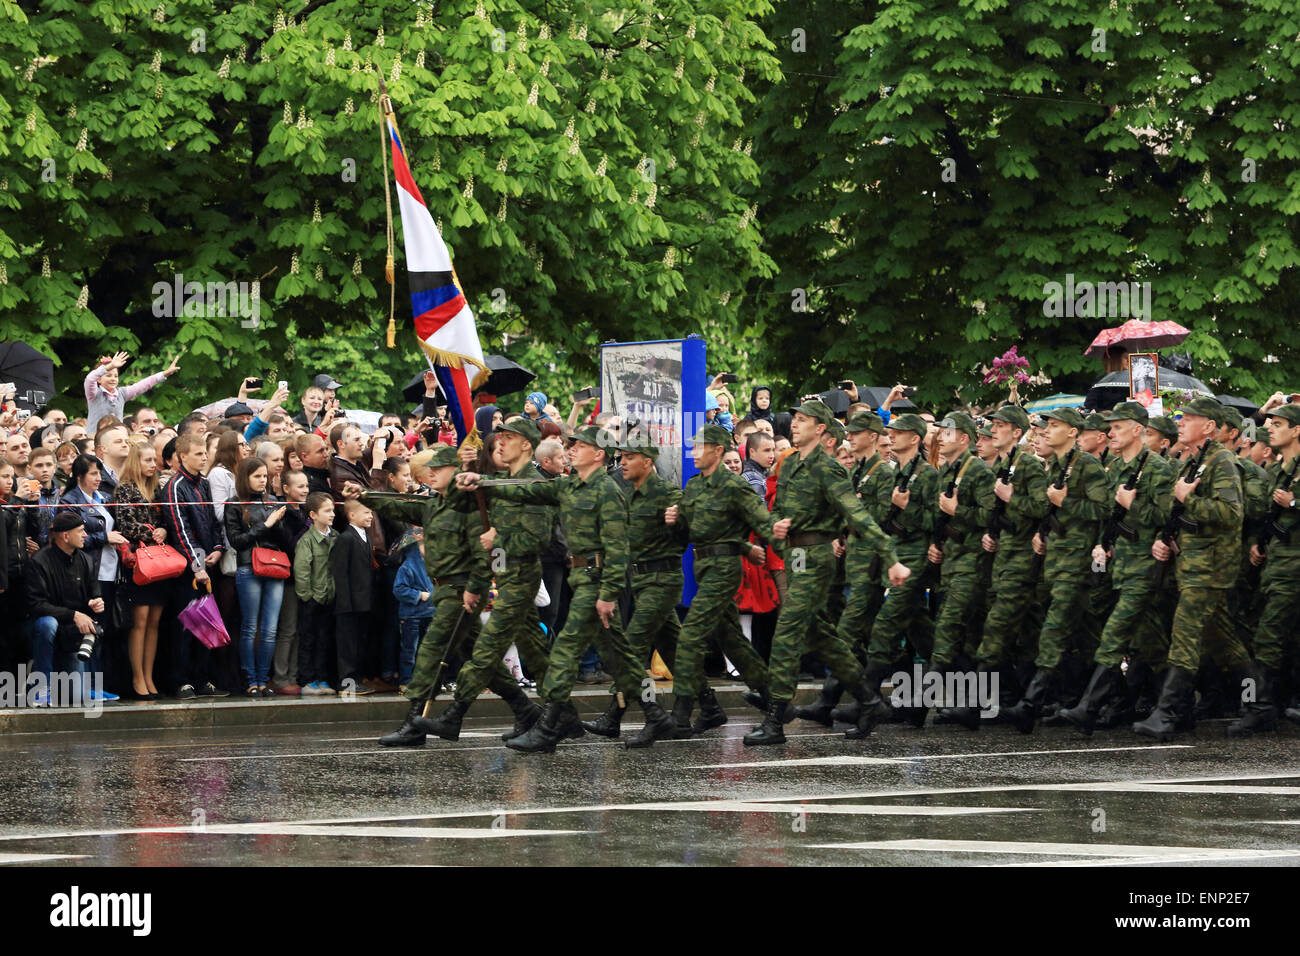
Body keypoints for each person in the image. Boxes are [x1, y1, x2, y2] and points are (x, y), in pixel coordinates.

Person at [452, 424, 646, 753]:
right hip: (579, 577)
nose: (570, 449)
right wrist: (481, 481)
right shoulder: (570, 485)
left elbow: (618, 547)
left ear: (598, 454)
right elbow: (525, 491)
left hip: (597, 582)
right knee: (620, 656)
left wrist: (609, 593)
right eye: (570, 445)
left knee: (566, 653)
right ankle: (655, 712)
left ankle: (548, 727)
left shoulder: (607, 491)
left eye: (579, 446)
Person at [751, 400, 909, 746]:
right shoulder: (790, 463)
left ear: (820, 429)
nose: (795, 424)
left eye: (803, 420)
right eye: (795, 419)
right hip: (794, 555)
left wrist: (891, 557)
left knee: (788, 632)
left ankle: (776, 717)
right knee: (821, 635)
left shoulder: (829, 469)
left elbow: (859, 516)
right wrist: (774, 528)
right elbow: (776, 510)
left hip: (816, 556)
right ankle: (869, 700)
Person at [1134, 397, 1258, 741]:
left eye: (1189, 419)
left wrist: (1189, 498)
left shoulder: (1222, 462)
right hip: (1191, 563)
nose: (1181, 423)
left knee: (1184, 635)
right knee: (1225, 643)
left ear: (1208, 426)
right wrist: (1167, 539)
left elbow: (1231, 514)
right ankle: (1258, 703)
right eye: (1181, 418)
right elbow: (1182, 515)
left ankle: (1168, 713)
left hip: (1211, 567)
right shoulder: (1191, 462)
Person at [1059, 401, 1174, 733]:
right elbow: (1109, 515)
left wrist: (1133, 504)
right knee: (1150, 643)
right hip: (1120, 565)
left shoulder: (1156, 468)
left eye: (1118, 427)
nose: (1110, 432)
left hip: (1144, 566)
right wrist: (1102, 543)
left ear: (1137, 430)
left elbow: (1166, 517)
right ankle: (1174, 706)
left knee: (1114, 635)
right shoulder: (1116, 468)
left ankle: (1088, 709)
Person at [1002, 407, 1109, 733]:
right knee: (1085, 636)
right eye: (1047, 425)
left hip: (1076, 562)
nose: (1047, 430)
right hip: (1056, 560)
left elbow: (1103, 509)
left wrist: (1065, 503)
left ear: (1073, 432)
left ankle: (1031, 703)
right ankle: (1093, 700)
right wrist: (1043, 531)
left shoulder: (1087, 465)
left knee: (1054, 629)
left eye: (1056, 425)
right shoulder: (1057, 466)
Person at [613, 430, 685, 747]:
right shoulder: (629, 494)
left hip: (662, 581)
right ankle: (708, 705)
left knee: (628, 652)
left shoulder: (668, 494)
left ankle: (650, 715)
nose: (623, 463)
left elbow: (686, 536)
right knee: (674, 650)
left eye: (629, 457)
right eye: (621, 457)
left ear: (647, 461)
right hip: (640, 582)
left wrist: (679, 521)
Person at [1235, 402, 1300, 734]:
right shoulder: (1276, 471)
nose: (1270, 428)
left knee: (1267, 638)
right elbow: (1259, 514)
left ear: (1296, 430)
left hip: (1292, 569)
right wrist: (1257, 545)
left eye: (1277, 423)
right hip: (1275, 567)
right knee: (1271, 637)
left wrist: (1294, 503)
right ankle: (1266, 704)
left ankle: (1257, 706)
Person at [159, 431, 228, 700]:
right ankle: (180, 679)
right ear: (182, 456)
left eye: (204, 454)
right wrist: (196, 564)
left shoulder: (205, 484)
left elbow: (212, 520)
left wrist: (219, 549)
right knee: (186, 624)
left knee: (206, 624)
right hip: (188, 567)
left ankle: (201, 677)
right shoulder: (175, 486)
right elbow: (180, 528)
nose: (203, 458)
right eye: (198, 454)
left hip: (207, 561)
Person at [23, 512, 106, 707]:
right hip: (43, 626)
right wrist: (74, 615)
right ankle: (39, 687)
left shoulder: (85, 559)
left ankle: (85, 686)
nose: (85, 535)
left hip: (72, 631)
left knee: (76, 698)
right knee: (47, 624)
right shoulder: (39, 562)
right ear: (65, 536)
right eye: (81, 531)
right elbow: (36, 605)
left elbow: (95, 592)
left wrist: (96, 602)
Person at [110, 442, 171, 700]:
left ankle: (149, 675)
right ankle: (137, 677)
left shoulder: (156, 488)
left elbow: (165, 519)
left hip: (158, 561)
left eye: (152, 460)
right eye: (146, 460)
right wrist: (151, 532)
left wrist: (164, 530)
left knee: (155, 622)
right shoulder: (124, 489)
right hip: (138, 562)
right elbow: (124, 524)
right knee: (140, 621)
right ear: (136, 461)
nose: (152, 465)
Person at [224, 457, 290, 698]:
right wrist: (267, 523)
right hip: (249, 567)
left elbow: (284, 540)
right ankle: (250, 679)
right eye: (257, 476)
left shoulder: (273, 500)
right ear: (245, 478)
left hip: (275, 567)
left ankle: (264, 679)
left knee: (270, 629)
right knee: (250, 626)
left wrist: (280, 523)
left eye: (265, 476)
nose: (263, 480)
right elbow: (237, 542)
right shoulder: (234, 503)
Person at [330, 499, 376, 696]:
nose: (371, 516)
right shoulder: (346, 538)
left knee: (358, 643)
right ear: (352, 516)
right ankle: (346, 684)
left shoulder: (365, 536)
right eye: (366, 513)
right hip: (348, 604)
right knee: (347, 645)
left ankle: (356, 680)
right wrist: (345, 602)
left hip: (363, 602)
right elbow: (340, 573)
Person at [294, 492, 338, 696]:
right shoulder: (307, 540)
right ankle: (307, 680)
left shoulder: (335, 536)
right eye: (327, 511)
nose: (332, 514)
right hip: (311, 600)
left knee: (324, 640)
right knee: (308, 640)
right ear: (313, 514)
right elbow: (302, 571)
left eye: (333, 510)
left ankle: (321, 678)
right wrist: (307, 596)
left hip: (329, 598)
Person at [83, 350, 181, 431]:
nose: (113, 379)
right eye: (108, 375)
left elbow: (143, 385)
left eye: (116, 376)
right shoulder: (94, 394)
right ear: (99, 379)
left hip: (117, 439)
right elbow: (90, 379)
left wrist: (164, 374)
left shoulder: (121, 393)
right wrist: (110, 366)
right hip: (94, 439)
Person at [392, 532, 435, 692]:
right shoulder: (408, 567)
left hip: (428, 613)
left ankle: (421, 680)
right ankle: (406, 680)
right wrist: (418, 595)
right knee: (410, 650)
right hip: (411, 616)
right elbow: (398, 589)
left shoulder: (430, 565)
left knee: (425, 650)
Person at [741, 430, 776, 496]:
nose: (772, 455)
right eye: (766, 450)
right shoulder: (752, 478)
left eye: (773, 450)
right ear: (752, 452)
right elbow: (762, 506)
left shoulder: (764, 473)